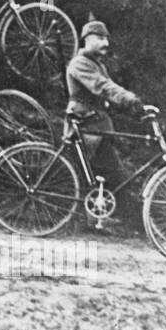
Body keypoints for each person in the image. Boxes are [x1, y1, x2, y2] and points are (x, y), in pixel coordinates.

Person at [65, 18, 142, 215]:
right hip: (85, 128)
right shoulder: (79, 64)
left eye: (106, 39)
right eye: (99, 38)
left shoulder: (97, 65)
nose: (105, 43)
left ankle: (105, 217)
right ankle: (117, 219)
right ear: (86, 40)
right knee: (112, 175)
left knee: (114, 175)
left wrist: (135, 110)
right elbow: (102, 86)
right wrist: (129, 99)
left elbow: (109, 93)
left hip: (97, 127)